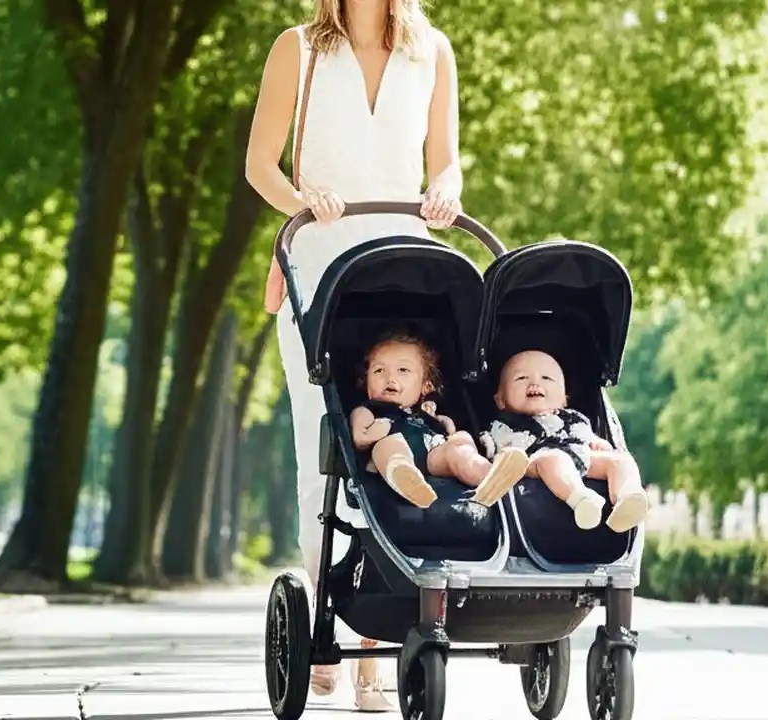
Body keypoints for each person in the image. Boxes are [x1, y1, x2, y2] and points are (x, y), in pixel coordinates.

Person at [245, 0, 462, 711]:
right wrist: (303, 195)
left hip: (402, 272)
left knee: (400, 445)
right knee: (327, 458)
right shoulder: (298, 49)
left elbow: (447, 162)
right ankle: (323, 628)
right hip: (319, 274)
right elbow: (259, 165)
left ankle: (375, 644)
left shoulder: (431, 51)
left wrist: (444, 192)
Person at [352, 329, 528, 509]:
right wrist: (373, 432)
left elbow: (446, 432)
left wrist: (443, 424)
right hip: (393, 449)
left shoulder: (424, 413)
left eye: (403, 370)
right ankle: (406, 478)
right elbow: (360, 437)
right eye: (379, 370)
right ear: (366, 383)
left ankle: (489, 476)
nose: (390, 378)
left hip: (430, 452)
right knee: (388, 446)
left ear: (426, 386)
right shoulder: (369, 410)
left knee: (461, 442)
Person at [482, 349, 650, 533]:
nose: (535, 383)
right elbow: (492, 448)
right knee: (553, 459)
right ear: (500, 400)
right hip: (532, 463)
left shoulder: (573, 418)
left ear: (564, 399)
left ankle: (627, 497)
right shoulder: (504, 424)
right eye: (521, 378)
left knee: (620, 461)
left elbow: (586, 437)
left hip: (577, 456)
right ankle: (581, 499)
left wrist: (598, 443)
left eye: (547, 378)